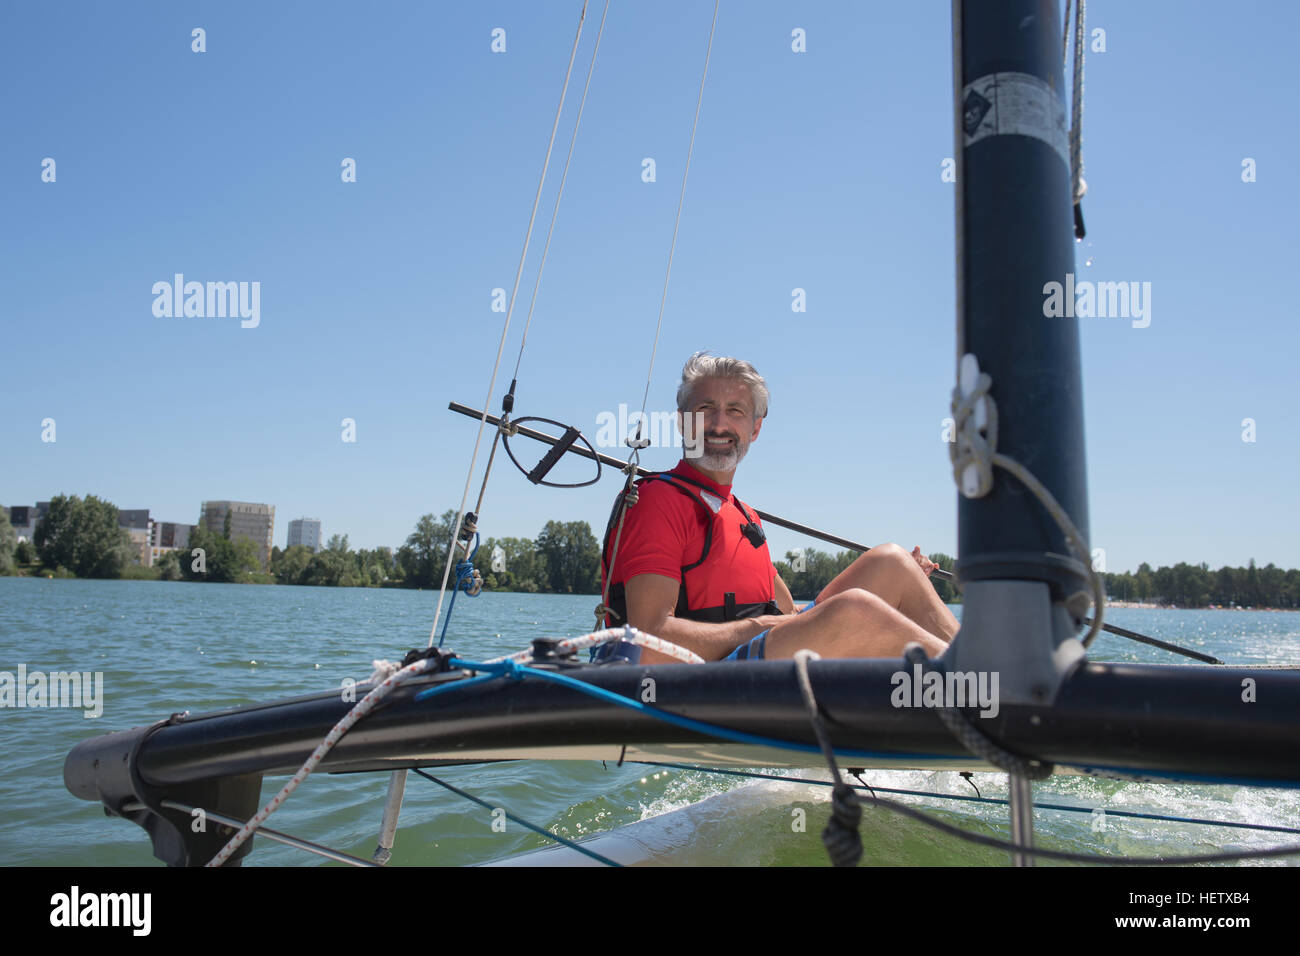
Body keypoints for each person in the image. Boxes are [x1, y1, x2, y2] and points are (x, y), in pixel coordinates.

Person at [599, 352, 958, 665]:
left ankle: (987, 672)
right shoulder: (657, 502)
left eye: (735, 411)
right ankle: (985, 684)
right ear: (681, 421)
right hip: (701, 679)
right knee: (854, 609)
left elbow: (790, 617)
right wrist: (760, 627)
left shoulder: (744, 517)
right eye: (705, 409)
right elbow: (648, 640)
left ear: (755, 428)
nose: (720, 424)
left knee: (891, 562)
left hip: (761, 656)